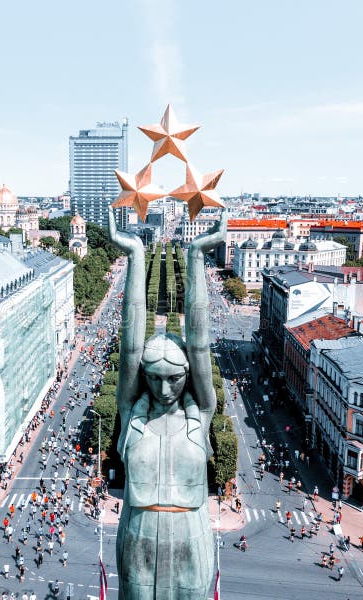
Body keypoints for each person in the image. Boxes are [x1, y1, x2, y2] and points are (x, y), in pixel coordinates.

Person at [110, 211, 226, 599]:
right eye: (154, 378)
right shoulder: (131, 411)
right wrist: (135, 255)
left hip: (191, 536)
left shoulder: (201, 414)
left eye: (174, 378)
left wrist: (196, 254)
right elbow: (130, 344)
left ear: (187, 374)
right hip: (138, 534)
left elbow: (199, 342)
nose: (163, 389)